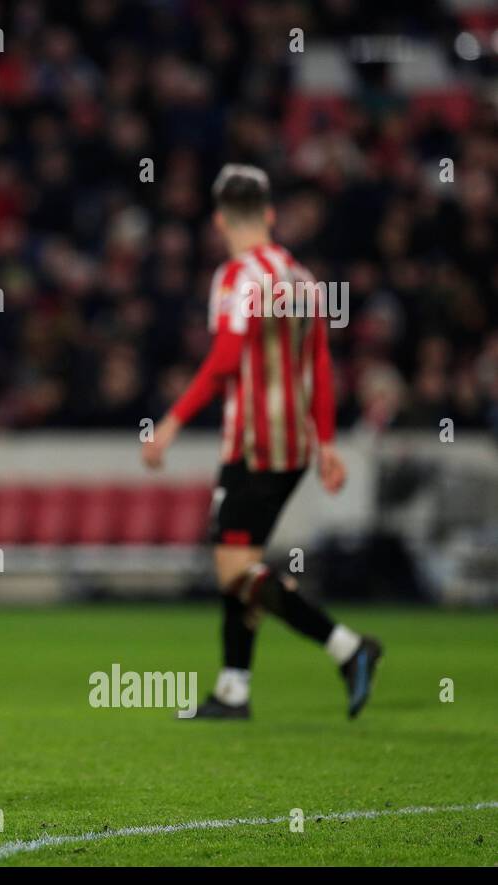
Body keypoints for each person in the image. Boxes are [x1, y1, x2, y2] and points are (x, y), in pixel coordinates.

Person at [142, 163, 382, 720]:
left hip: (253, 446)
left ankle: (346, 646)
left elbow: (226, 359)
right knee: (242, 563)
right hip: (294, 447)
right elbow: (319, 366)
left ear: (221, 220)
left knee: (233, 570)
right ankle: (233, 688)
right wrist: (326, 444)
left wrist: (172, 422)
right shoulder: (301, 278)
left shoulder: (236, 277)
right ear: (270, 215)